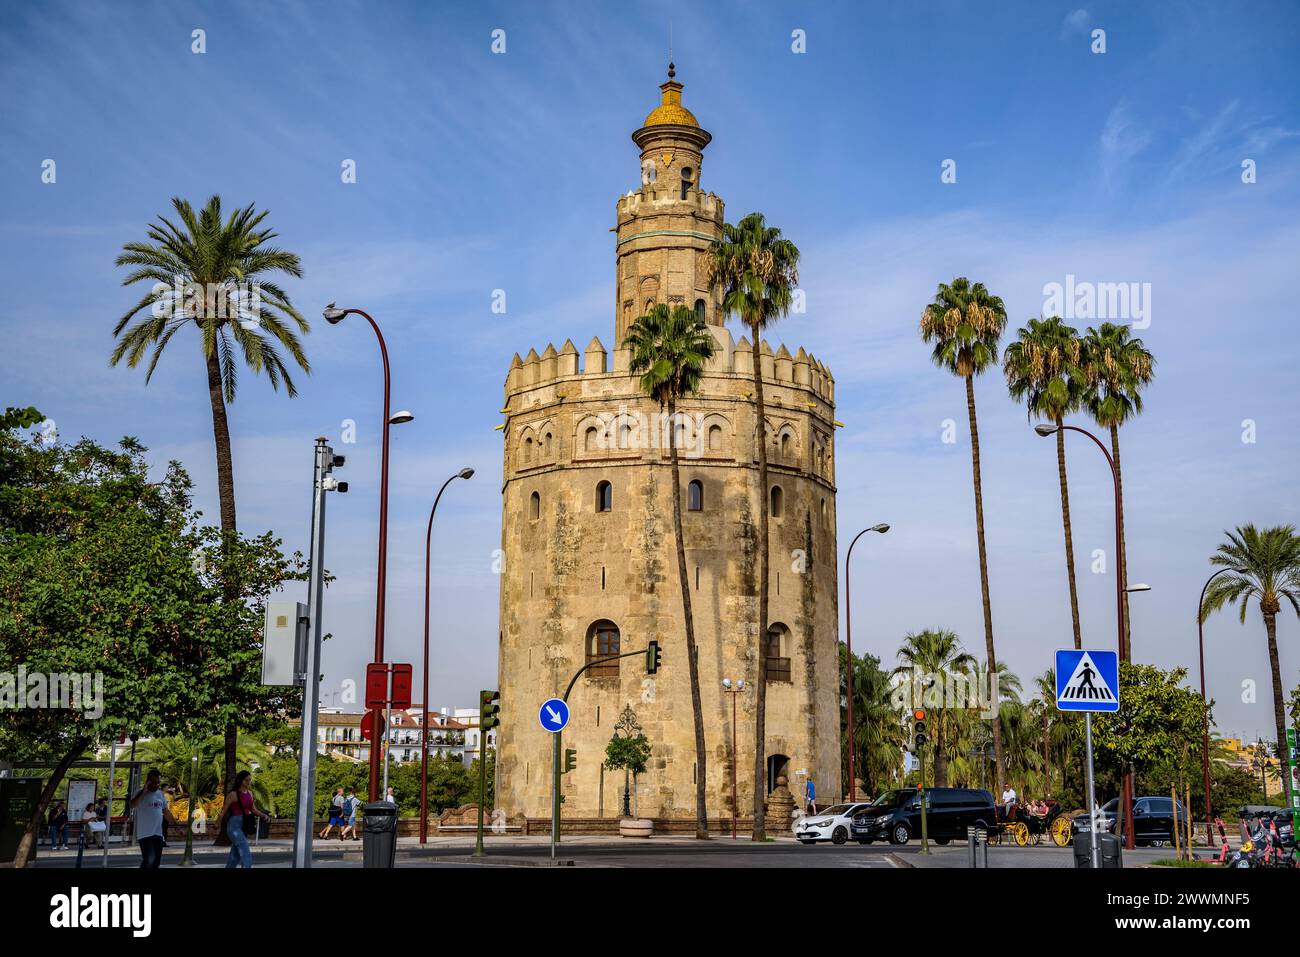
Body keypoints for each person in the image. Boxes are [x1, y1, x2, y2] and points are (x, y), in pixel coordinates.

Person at [221, 770, 269, 869]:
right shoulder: (233, 794)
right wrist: (217, 823)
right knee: (244, 850)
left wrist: (264, 816)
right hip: (234, 825)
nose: (249, 782)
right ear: (240, 781)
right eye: (246, 780)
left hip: (245, 824)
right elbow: (224, 810)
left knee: (235, 854)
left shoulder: (250, 793)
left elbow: (253, 809)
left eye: (250, 780)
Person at [130, 769, 177, 869]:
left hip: (158, 833)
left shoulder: (160, 794)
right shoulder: (139, 793)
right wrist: (144, 791)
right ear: (148, 781)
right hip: (145, 834)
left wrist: (176, 825)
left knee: (156, 862)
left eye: (158, 782)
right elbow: (132, 805)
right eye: (154, 782)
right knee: (149, 859)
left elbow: (166, 811)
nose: (157, 785)